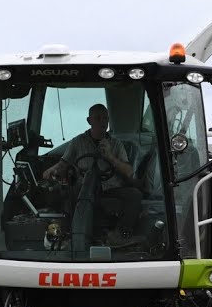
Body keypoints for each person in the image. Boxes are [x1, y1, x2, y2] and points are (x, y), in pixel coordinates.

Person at [43, 104, 141, 244]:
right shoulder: (77, 142)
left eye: (105, 119)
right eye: (98, 118)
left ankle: (120, 234)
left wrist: (110, 157)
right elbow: (63, 164)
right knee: (65, 192)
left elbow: (129, 172)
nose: (102, 122)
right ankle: (69, 234)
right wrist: (52, 170)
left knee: (135, 195)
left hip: (111, 189)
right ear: (89, 121)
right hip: (84, 188)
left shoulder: (116, 144)